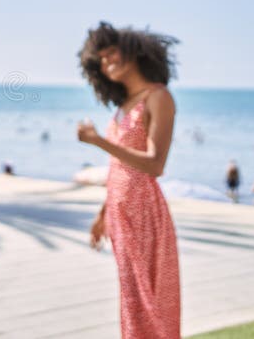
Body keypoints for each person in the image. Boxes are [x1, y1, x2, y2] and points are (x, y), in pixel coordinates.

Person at [76, 21, 181, 339]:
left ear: (134, 52)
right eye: (102, 61)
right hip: (121, 214)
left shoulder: (158, 97)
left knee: (151, 300)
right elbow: (117, 168)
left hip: (145, 212)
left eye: (112, 54)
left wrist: (98, 141)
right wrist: (104, 212)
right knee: (132, 300)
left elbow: (155, 165)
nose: (108, 63)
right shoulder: (123, 106)